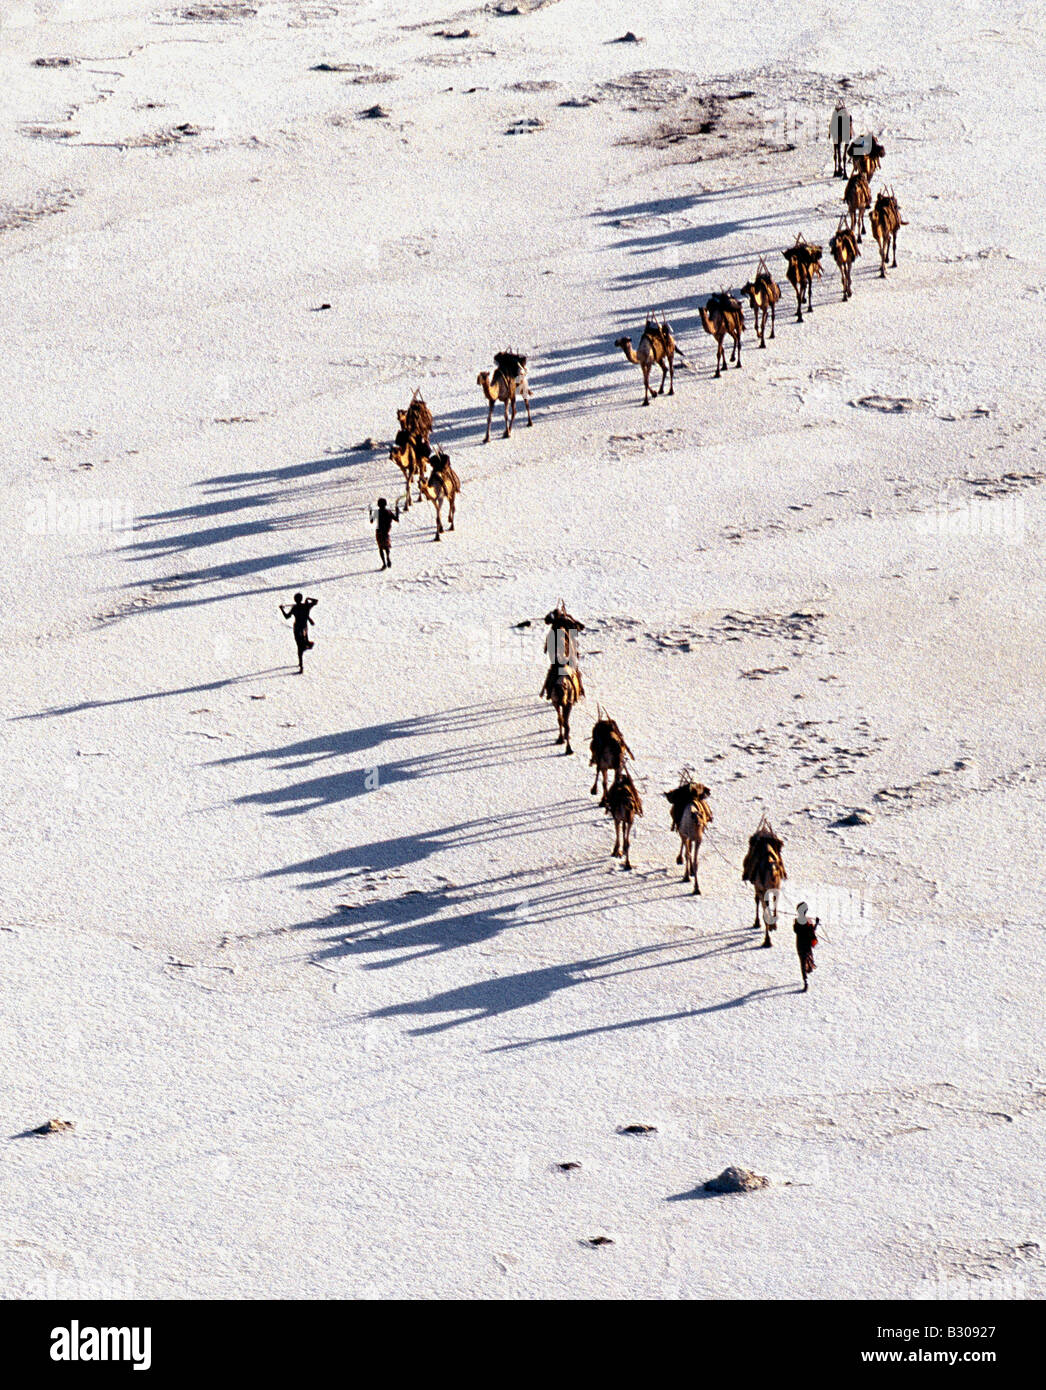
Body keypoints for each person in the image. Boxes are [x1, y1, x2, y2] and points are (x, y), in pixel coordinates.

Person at [279, 592, 318, 673]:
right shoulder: (306, 606)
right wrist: (308, 598)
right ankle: (306, 645)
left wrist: (281, 609)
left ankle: (301, 664)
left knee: (299, 646)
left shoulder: (295, 608)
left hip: (297, 628)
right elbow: (316, 601)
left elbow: (287, 617)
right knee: (304, 640)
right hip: (304, 627)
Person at [793, 901, 819, 991]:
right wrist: (816, 924)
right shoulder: (808, 922)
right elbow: (812, 931)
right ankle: (806, 978)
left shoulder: (796, 921)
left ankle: (805, 981)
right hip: (807, 945)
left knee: (802, 962)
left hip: (800, 945)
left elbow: (795, 930)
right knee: (806, 960)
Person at [370, 497, 399, 570]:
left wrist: (370, 512)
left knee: (380, 548)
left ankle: (384, 563)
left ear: (378, 505)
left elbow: (371, 521)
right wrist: (397, 512)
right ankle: (388, 557)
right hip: (386, 532)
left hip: (379, 532)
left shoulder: (377, 512)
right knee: (386, 547)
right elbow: (396, 519)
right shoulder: (389, 512)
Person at [830, 100, 852, 177]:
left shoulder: (835, 115)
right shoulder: (846, 115)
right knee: (841, 152)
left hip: (837, 134)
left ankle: (837, 169)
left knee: (836, 151)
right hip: (844, 134)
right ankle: (843, 170)